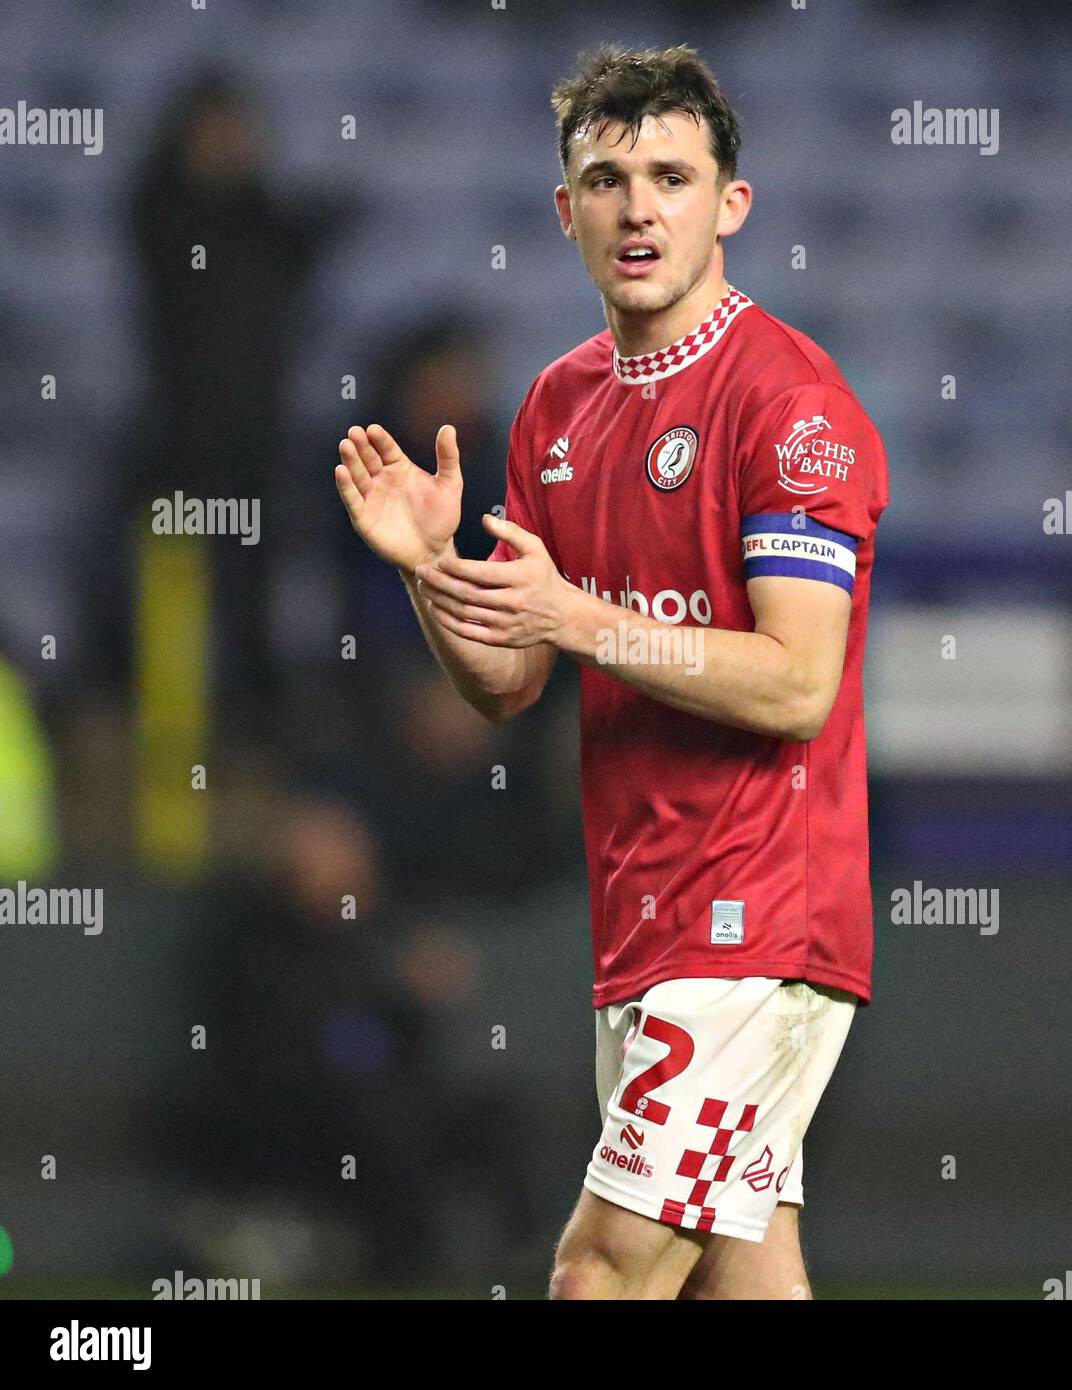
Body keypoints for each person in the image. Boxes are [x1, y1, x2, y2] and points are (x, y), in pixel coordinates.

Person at [334, 42, 889, 1300]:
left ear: (728, 205)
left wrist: (583, 618)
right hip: (644, 906)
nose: (638, 207)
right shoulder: (556, 407)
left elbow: (798, 681)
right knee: (739, 1280)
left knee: (600, 1271)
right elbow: (510, 682)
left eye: (671, 176)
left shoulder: (789, 403)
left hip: (757, 916)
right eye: (606, 179)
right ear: (565, 210)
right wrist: (433, 570)